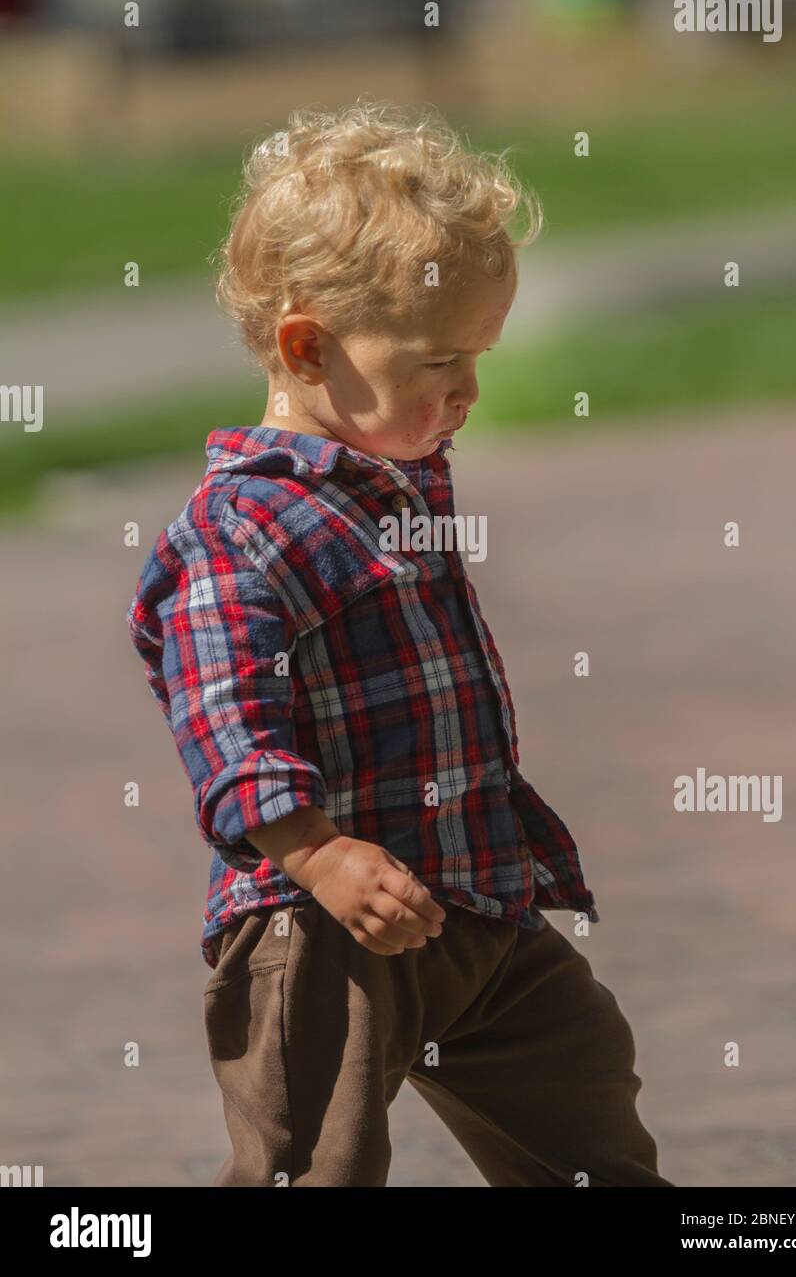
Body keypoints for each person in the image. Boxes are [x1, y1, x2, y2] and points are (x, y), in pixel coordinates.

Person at [126, 99, 674, 1188]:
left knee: (579, 1072)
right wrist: (317, 854)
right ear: (305, 346)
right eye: (436, 361)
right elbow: (227, 722)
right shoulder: (241, 530)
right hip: (323, 928)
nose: (465, 390)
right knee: (309, 1159)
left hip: (471, 900)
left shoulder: (391, 485)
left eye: (476, 356)